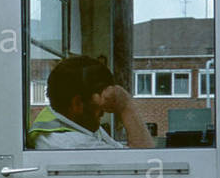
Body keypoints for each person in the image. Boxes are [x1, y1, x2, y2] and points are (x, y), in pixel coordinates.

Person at [26, 56, 155, 150]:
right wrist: (125, 105)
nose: (104, 111)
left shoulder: (75, 122)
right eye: (100, 106)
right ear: (77, 103)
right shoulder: (73, 143)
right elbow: (145, 163)